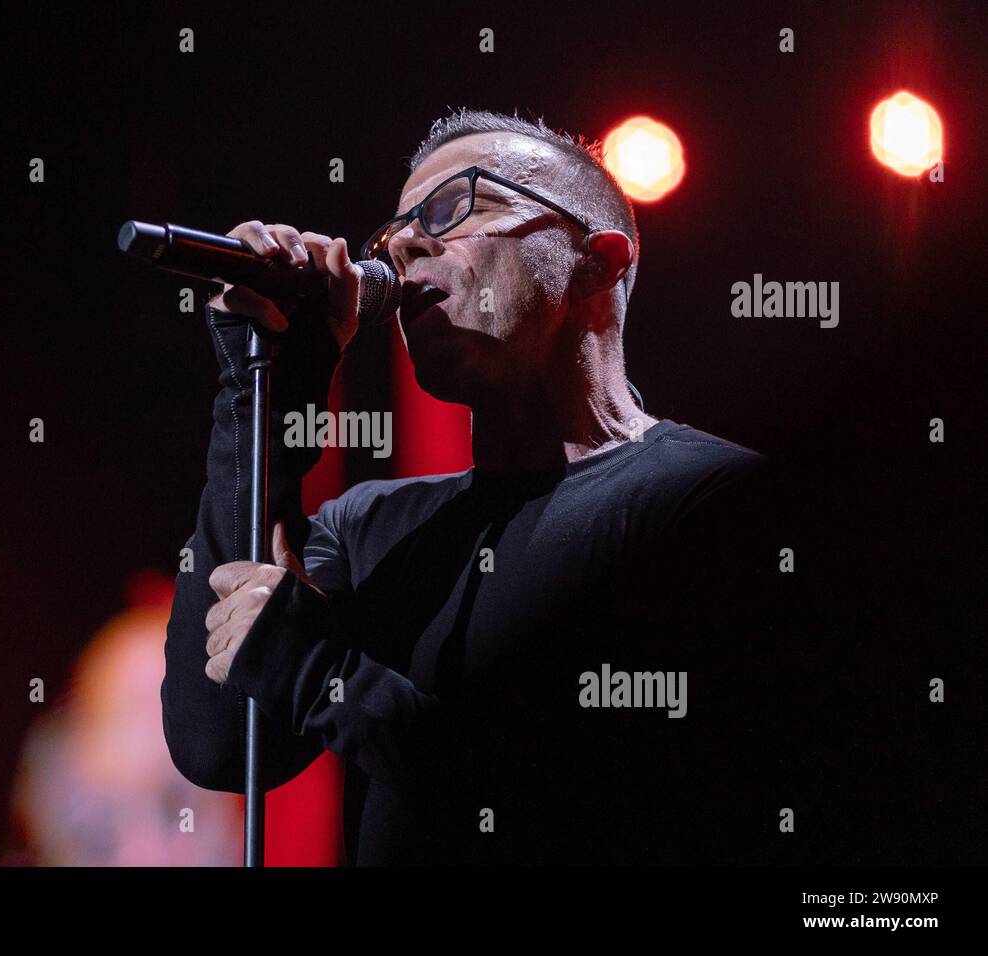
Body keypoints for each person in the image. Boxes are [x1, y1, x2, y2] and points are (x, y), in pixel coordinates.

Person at [162, 108, 782, 865]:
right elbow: (218, 743)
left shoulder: (706, 499)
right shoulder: (371, 527)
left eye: (459, 206)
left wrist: (331, 682)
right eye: (389, 239)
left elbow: (618, 805)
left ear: (598, 262)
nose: (405, 246)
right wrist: (260, 402)